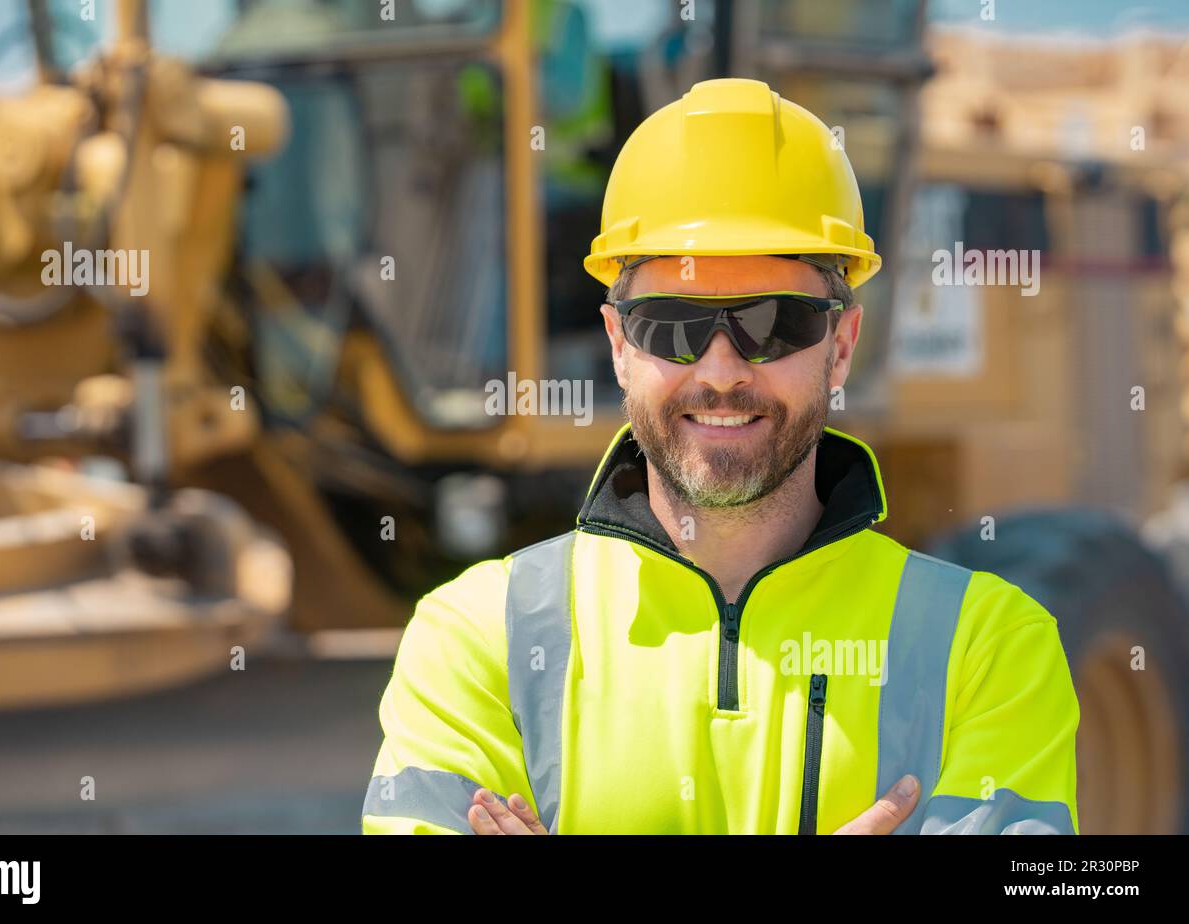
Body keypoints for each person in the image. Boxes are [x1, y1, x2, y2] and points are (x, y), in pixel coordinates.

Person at [361, 78, 1080, 835]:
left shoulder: (986, 648)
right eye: (672, 323)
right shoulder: (480, 639)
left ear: (840, 347)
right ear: (618, 345)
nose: (720, 371)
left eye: (773, 323)